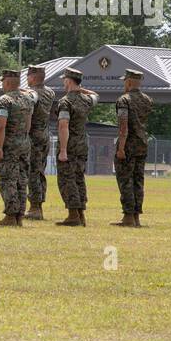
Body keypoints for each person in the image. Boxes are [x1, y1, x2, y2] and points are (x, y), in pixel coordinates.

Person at [55, 68, 100, 227]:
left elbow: (63, 125)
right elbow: (96, 95)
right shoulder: (86, 100)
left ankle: (73, 215)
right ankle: (81, 215)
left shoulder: (65, 102)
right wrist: (81, 89)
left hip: (70, 146)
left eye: (64, 80)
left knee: (67, 180)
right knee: (79, 178)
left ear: (68, 81)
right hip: (82, 146)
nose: (63, 83)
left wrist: (63, 150)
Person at [0, 69, 34, 226]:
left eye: (3, 81)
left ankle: (10, 215)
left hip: (10, 145)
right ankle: (19, 216)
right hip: (24, 143)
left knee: (8, 179)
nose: (2, 85)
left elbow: (0, 126)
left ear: (8, 82)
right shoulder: (28, 99)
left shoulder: (5, 100)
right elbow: (29, 125)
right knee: (22, 180)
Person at [112, 69, 153, 227]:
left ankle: (128, 216)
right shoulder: (147, 100)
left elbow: (124, 126)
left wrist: (121, 148)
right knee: (138, 180)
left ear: (128, 82)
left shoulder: (124, 100)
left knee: (125, 180)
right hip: (142, 144)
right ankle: (136, 215)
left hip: (128, 145)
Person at [21, 65, 56, 220]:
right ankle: (38, 204)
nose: (27, 79)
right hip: (44, 135)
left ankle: (35, 207)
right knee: (40, 171)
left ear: (33, 77)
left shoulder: (32, 93)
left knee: (33, 172)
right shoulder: (50, 92)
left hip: (33, 136)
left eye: (28, 76)